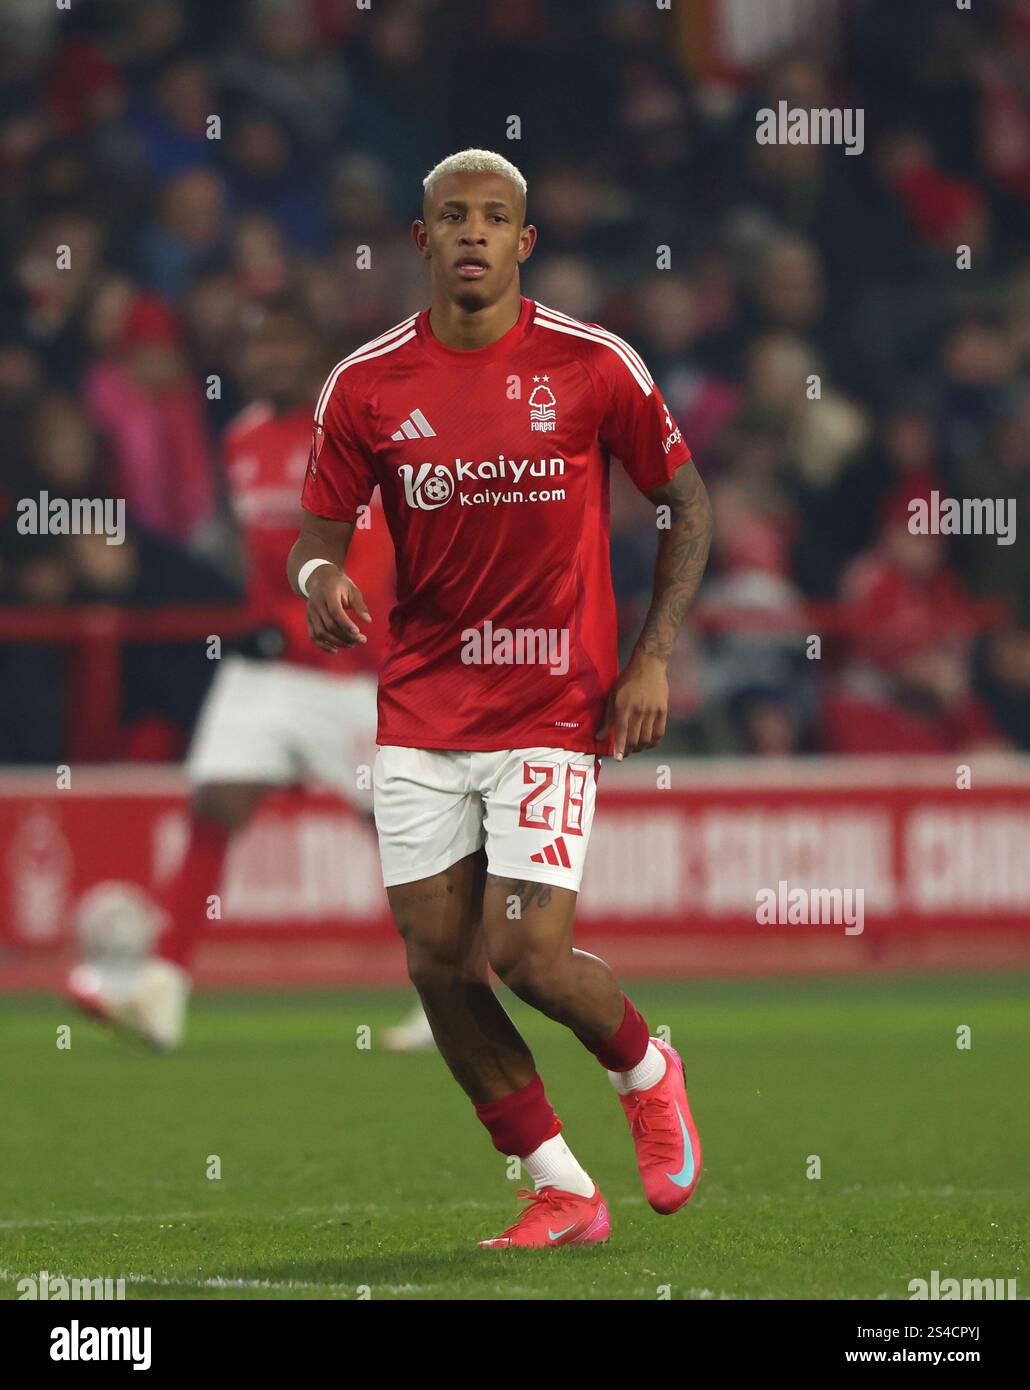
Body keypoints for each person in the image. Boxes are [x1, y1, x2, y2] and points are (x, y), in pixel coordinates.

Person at [288, 149, 713, 1249]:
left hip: (551, 698)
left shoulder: (591, 364)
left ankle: (645, 1069)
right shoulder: (365, 385)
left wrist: (653, 655)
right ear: (420, 239)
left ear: (525, 243)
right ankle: (558, 1184)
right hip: (424, 704)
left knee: (525, 954)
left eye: (494, 218)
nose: (472, 233)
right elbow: (317, 541)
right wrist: (320, 581)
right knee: (436, 959)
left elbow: (687, 505)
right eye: (450, 217)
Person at [68, 298, 396, 1046]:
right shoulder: (243, 439)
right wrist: (262, 630)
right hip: (270, 672)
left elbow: (372, 568)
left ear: (318, 356)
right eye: (258, 347)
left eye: (284, 346)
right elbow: (259, 564)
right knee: (214, 803)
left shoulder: (355, 436)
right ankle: (161, 987)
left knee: (404, 836)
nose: (268, 360)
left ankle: (467, 994)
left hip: (349, 667)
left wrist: (289, 628)